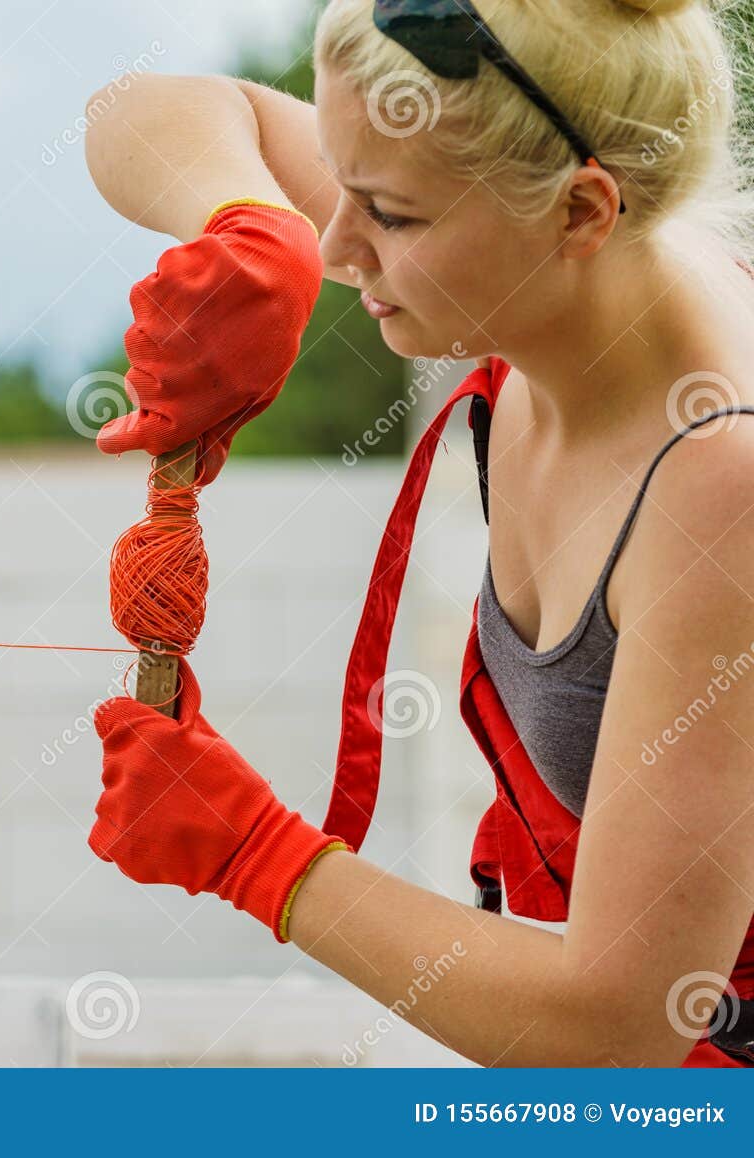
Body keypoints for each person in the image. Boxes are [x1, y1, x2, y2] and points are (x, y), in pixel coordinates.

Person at [84, 0, 754, 1067]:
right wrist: (248, 230)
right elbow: (134, 109)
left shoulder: (722, 482)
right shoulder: (555, 261)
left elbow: (621, 1023)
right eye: (335, 185)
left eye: (390, 216)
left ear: (582, 210)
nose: (339, 243)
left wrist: (257, 854)